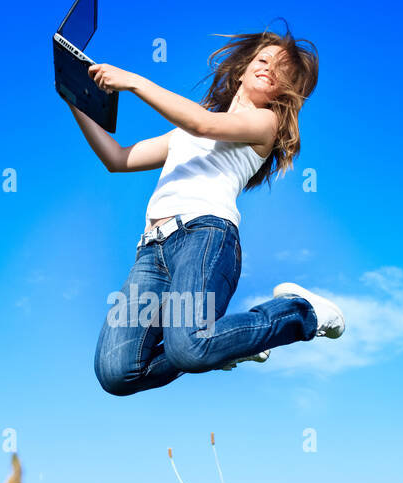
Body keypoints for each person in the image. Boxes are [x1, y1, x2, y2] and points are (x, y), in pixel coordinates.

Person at [65, 25, 344, 396]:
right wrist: (72, 95)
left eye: (281, 71)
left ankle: (301, 312)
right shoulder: (184, 134)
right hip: (151, 251)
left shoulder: (264, 123)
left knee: (189, 347)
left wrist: (132, 81)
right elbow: (117, 158)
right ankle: (225, 343)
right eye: (263, 59)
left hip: (205, 234)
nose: (268, 69)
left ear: (283, 90)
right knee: (116, 372)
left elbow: (203, 122)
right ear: (243, 69)